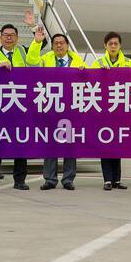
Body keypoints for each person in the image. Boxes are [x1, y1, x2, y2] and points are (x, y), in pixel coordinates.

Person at [0, 12, 42, 191]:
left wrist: (34, 27)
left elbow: (41, 46)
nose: (9, 38)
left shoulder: (24, 51)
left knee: (20, 143)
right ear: (0, 37)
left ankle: (20, 180)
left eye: (12, 35)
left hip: (20, 105)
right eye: (5, 35)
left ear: (17, 38)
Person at [35, 33, 84, 190]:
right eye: (56, 43)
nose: (59, 46)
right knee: (51, 145)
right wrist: (36, 41)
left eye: (62, 43)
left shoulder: (78, 60)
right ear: (52, 46)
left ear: (67, 45)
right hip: (51, 107)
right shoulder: (45, 59)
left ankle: (68, 179)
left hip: (70, 109)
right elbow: (30, 63)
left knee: (69, 144)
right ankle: (50, 179)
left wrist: (84, 72)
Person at [94, 31, 131, 191]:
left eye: (116, 43)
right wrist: (99, 73)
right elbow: (88, 81)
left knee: (117, 146)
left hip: (121, 110)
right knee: (105, 144)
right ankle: (107, 179)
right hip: (104, 111)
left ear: (120, 45)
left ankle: (117, 179)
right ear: (105, 46)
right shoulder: (98, 62)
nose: (113, 46)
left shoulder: (128, 62)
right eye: (110, 44)